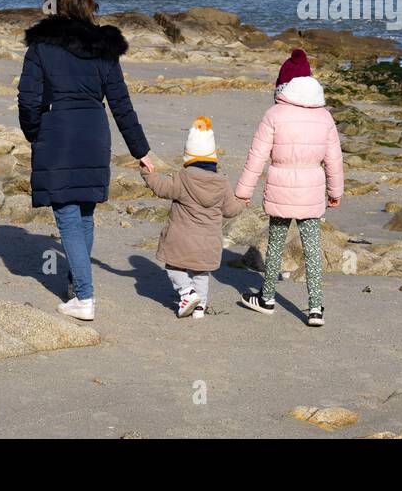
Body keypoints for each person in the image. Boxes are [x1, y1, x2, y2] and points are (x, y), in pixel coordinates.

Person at [17, 0, 153, 321]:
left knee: (67, 216)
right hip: (94, 133)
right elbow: (120, 102)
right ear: (88, 4)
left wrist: (34, 132)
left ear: (56, 4)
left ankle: (85, 297)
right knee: (85, 214)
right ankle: (78, 288)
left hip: (58, 134)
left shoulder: (41, 47)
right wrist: (141, 149)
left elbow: (27, 98)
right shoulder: (103, 47)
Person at [235, 49, 344, 327]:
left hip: (281, 188)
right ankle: (315, 308)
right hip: (311, 191)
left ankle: (267, 298)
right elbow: (334, 158)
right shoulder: (325, 117)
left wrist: (244, 192)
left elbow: (256, 156)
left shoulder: (274, 114)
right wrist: (335, 192)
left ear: (283, 86)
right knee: (311, 247)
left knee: (275, 244)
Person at [140, 116, 245, 319]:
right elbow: (230, 210)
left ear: (188, 157)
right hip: (208, 243)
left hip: (181, 239)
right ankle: (200, 307)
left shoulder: (182, 178)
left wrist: (147, 175)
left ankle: (187, 292)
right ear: (213, 158)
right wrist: (243, 203)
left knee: (173, 266)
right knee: (201, 273)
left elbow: (162, 188)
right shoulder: (222, 184)